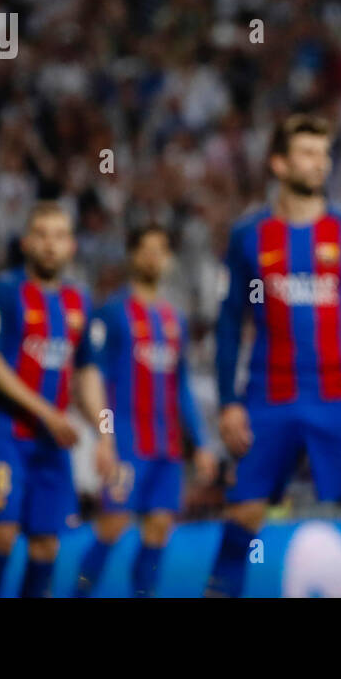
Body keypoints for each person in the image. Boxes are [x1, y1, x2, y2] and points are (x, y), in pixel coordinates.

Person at [205, 114, 341, 597]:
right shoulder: (249, 235)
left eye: (324, 153)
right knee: (243, 514)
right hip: (268, 398)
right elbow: (229, 323)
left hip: (337, 397)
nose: (320, 164)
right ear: (278, 163)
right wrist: (228, 400)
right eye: (308, 153)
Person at [0, 202, 116, 597]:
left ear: (71, 246)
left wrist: (106, 435)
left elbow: (87, 373)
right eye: (42, 235)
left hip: (53, 444)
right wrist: (48, 412)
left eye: (59, 236)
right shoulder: (4, 290)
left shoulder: (79, 301)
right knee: (1, 534)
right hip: (8, 435)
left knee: (46, 545)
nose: (50, 245)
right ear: (27, 243)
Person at [72, 225, 216, 597]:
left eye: (161, 251)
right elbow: (95, 378)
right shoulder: (112, 313)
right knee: (112, 526)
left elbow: (180, 384)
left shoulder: (174, 319)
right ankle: (76, 593)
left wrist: (199, 443)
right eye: (146, 249)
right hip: (128, 445)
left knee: (157, 533)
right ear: (132, 255)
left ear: (168, 259)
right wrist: (104, 436)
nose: (154, 257)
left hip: (167, 448)